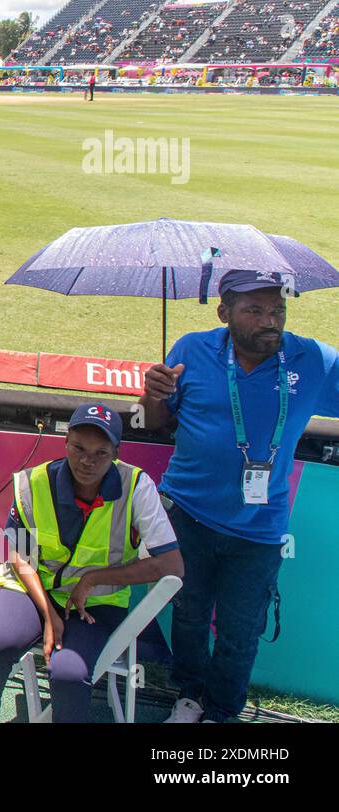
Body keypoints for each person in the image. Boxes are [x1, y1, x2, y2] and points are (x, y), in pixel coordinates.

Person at [141, 270, 339, 722]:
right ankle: (188, 698)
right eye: (255, 310)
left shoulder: (311, 359)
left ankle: (222, 712)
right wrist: (152, 394)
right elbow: (154, 421)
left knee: (240, 631)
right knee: (189, 615)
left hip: (259, 529)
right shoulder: (191, 349)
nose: (270, 320)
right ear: (225, 313)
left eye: (278, 310)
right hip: (187, 515)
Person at [0, 403, 183, 723]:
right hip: (33, 587)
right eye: (79, 447)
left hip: (98, 602)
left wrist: (93, 579)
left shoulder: (136, 486)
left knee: (68, 674)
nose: (87, 461)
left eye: (101, 453)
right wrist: (49, 614)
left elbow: (172, 566)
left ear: (116, 452)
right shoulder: (33, 483)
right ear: (66, 440)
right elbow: (20, 557)